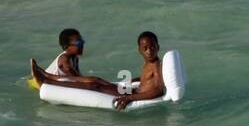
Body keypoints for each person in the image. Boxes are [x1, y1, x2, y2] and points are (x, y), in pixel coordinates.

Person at [30, 31, 166, 111]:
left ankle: (47, 80)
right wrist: (136, 80)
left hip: (132, 94)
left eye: (152, 47)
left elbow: (158, 90)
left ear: (157, 47)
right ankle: (48, 77)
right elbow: (150, 81)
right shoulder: (149, 62)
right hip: (131, 91)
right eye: (145, 48)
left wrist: (129, 97)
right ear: (139, 50)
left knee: (94, 84)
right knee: (96, 82)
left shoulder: (156, 65)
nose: (149, 51)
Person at [34, 29, 121, 94]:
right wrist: (99, 82)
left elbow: (77, 77)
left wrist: (106, 84)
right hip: (47, 84)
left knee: (96, 81)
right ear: (67, 46)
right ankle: (121, 92)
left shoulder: (74, 58)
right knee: (95, 82)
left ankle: (121, 90)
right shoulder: (64, 59)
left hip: (63, 81)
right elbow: (78, 80)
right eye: (79, 43)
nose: (82, 44)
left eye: (82, 41)